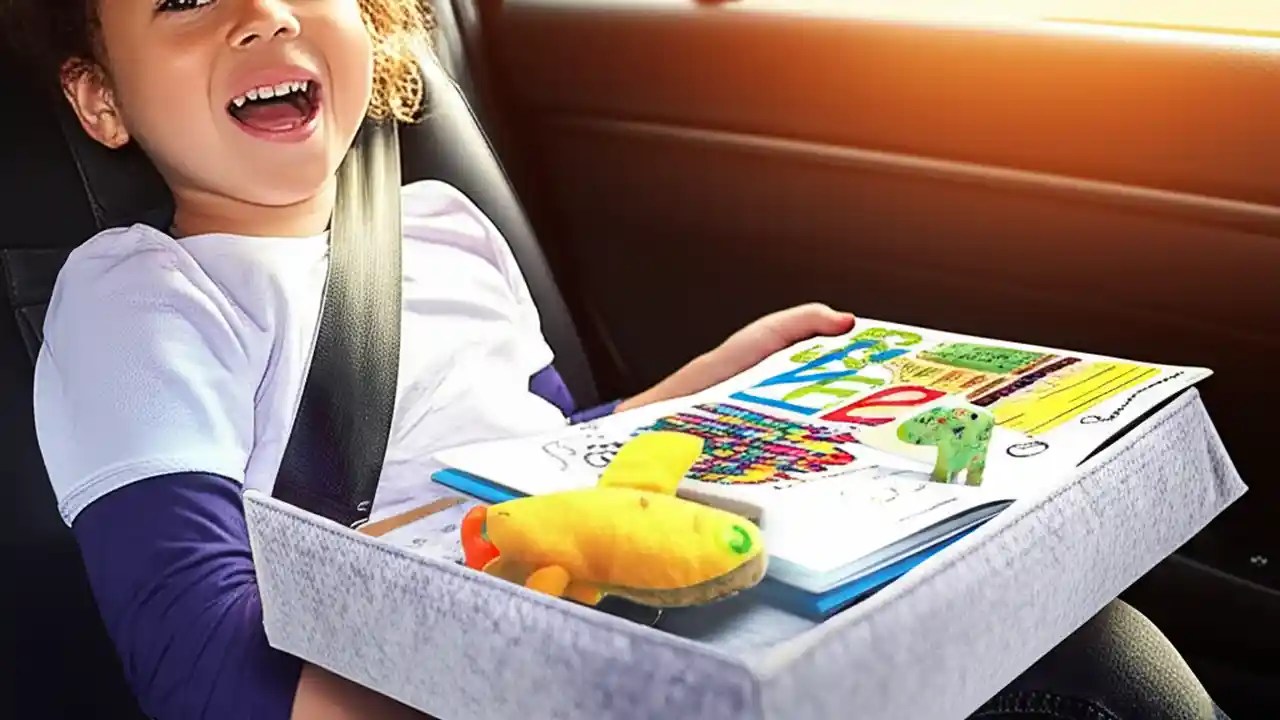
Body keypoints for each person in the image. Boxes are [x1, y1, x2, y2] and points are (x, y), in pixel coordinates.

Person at [2, 1, 1227, 718]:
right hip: (460, 685)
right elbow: (194, 652)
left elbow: (541, 462)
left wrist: (710, 387)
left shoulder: (439, 228)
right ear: (100, 101)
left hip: (638, 627)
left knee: (1083, 647)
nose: (258, 10)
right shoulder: (137, 296)